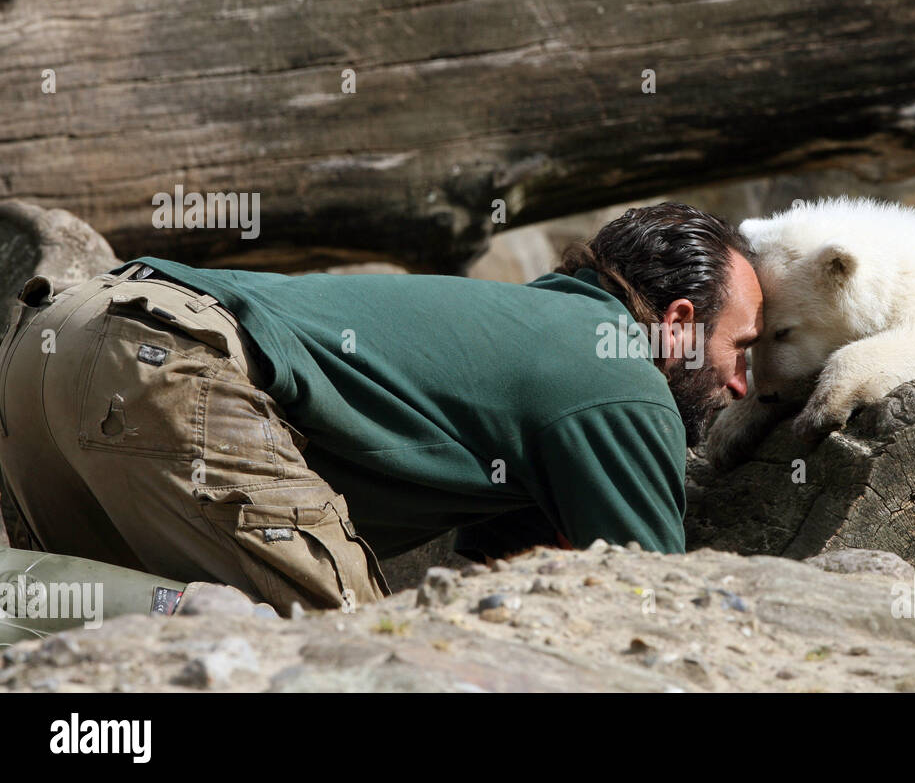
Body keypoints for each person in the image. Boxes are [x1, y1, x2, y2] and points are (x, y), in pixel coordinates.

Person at [0, 202, 764, 624]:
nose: (743, 385)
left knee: (103, 641)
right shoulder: (616, 372)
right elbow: (660, 610)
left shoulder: (526, 341)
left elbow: (487, 591)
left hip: (50, 343)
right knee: (360, 654)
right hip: (164, 360)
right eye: (745, 350)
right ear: (679, 323)